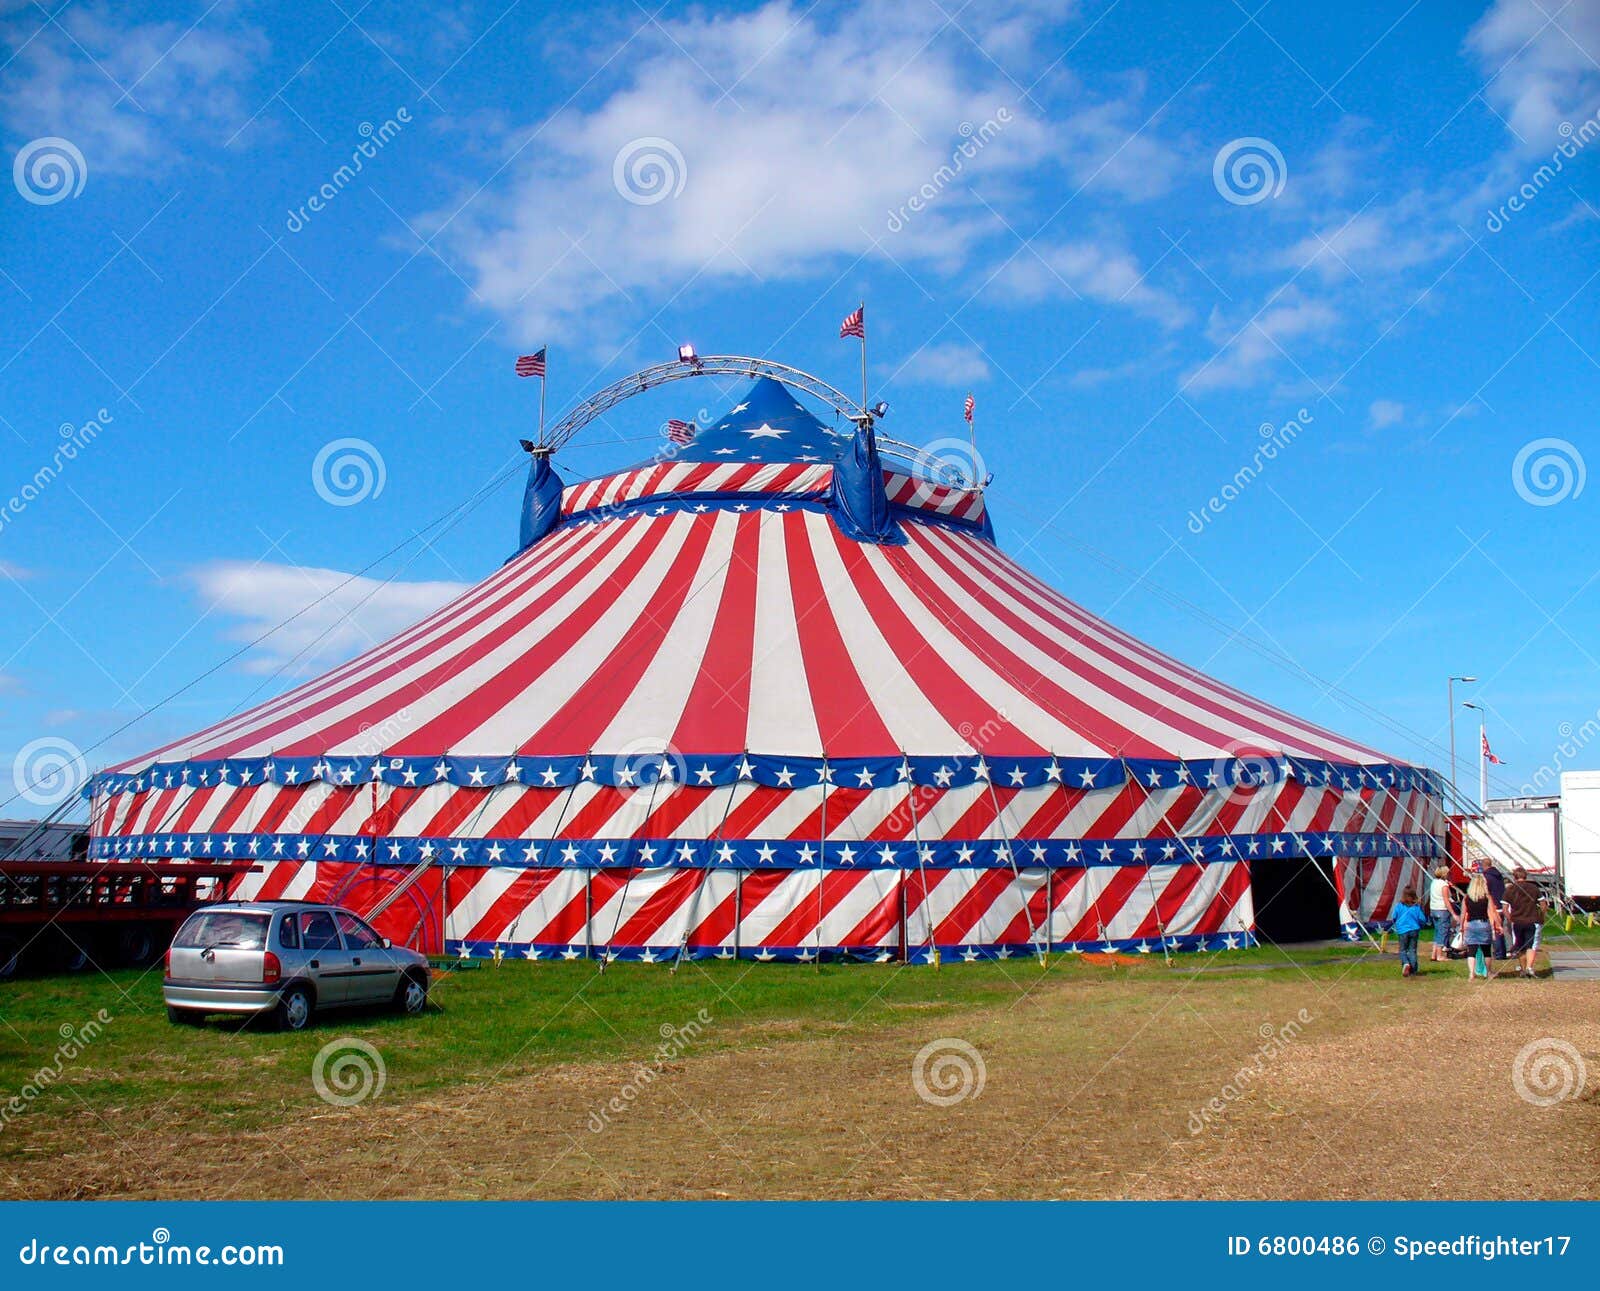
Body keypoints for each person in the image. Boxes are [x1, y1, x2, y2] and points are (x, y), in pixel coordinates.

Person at [1503, 865, 1545, 978]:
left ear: (1514, 877)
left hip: (1517, 921)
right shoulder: (1534, 888)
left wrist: (1510, 918)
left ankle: (1522, 969)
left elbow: (1505, 908)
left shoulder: (1510, 889)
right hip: (1531, 919)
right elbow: (1543, 904)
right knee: (1530, 945)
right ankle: (1529, 967)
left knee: (1520, 946)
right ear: (1525, 876)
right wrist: (1542, 915)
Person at [1460, 870, 1501, 980]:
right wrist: (1498, 925)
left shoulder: (1467, 897)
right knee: (1486, 950)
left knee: (1471, 951)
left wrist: (1461, 927)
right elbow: (1492, 911)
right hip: (1484, 924)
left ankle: (1471, 974)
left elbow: (1463, 914)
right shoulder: (1487, 897)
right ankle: (1488, 972)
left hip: (1471, 924)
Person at [1390, 887, 1429, 976]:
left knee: (1403, 950)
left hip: (1402, 931)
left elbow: (1394, 917)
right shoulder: (1416, 907)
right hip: (1414, 930)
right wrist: (1421, 925)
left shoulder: (1399, 906)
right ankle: (1413, 969)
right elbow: (1422, 919)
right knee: (1412, 950)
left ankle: (1406, 963)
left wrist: (1396, 924)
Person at [1427, 863, 1456, 962]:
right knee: (1443, 933)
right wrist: (1453, 913)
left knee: (1437, 932)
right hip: (1442, 910)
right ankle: (1439, 955)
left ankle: (1434, 954)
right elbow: (1447, 900)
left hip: (1433, 909)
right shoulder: (1444, 885)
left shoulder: (1434, 882)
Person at [1483, 864, 1509, 960]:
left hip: (1492, 905)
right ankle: (1502, 951)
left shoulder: (1486, 877)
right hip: (1500, 904)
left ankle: (1498, 953)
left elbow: (1487, 892)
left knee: (1495, 930)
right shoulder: (1499, 876)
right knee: (1500, 929)